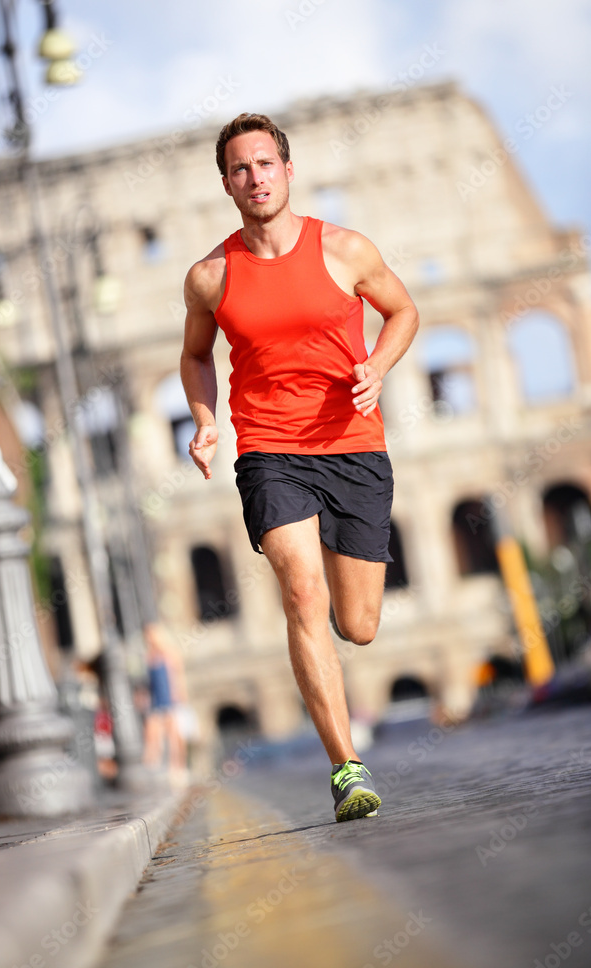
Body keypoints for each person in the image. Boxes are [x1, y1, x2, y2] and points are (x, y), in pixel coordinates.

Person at [180, 113, 419, 822]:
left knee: (360, 621)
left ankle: (345, 663)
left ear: (287, 170)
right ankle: (346, 768)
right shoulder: (209, 277)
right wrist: (203, 420)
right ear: (225, 183)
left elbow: (403, 311)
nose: (254, 177)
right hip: (269, 452)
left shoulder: (344, 250)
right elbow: (195, 356)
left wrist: (376, 365)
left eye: (264, 164)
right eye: (239, 168)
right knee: (299, 593)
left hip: (352, 445)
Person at [142, 622, 188, 778]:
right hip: (156, 700)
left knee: (174, 736)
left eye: (151, 634)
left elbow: (178, 676)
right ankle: (152, 769)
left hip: (169, 698)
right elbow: (149, 682)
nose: (148, 638)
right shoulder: (149, 656)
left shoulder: (170, 653)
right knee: (152, 734)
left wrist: (179, 695)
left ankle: (177, 769)